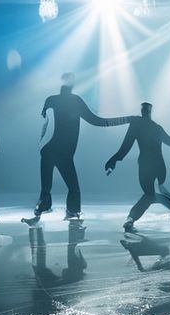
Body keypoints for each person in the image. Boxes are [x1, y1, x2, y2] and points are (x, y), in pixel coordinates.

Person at [33, 72, 133, 220]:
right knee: (74, 189)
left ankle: (40, 210)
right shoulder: (76, 101)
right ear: (73, 84)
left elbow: (45, 122)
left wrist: (41, 146)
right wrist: (127, 119)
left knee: (46, 189)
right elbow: (98, 121)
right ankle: (72, 213)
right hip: (64, 153)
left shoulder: (51, 100)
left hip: (47, 150)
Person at [105, 102, 170, 232]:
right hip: (153, 165)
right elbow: (126, 146)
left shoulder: (143, 126)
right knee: (153, 194)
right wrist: (115, 159)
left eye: (145, 110)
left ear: (146, 112)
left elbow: (126, 146)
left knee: (150, 195)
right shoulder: (152, 127)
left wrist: (115, 159)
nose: (144, 112)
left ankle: (131, 219)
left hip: (150, 165)